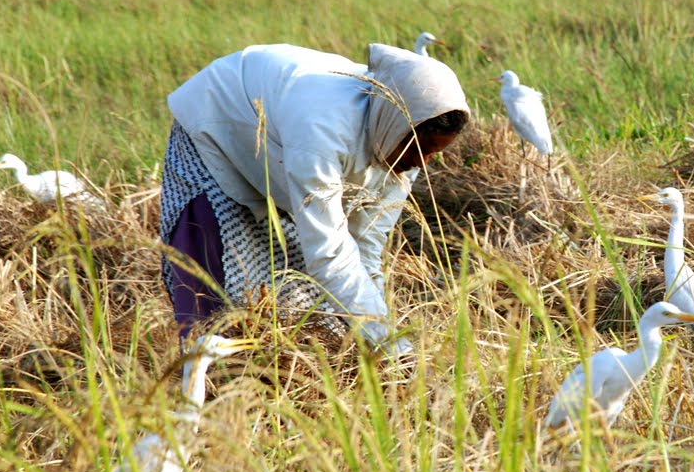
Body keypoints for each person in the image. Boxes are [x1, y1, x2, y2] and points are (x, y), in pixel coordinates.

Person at [159, 42, 470, 353]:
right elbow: (329, 254)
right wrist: (389, 345)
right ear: (395, 123)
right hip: (217, 133)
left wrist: (381, 333)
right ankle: (208, 384)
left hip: (279, 154)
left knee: (296, 287)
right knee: (217, 280)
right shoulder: (322, 124)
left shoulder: (405, 141)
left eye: (434, 154)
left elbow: (366, 244)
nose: (423, 163)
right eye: (420, 149)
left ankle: (268, 374)